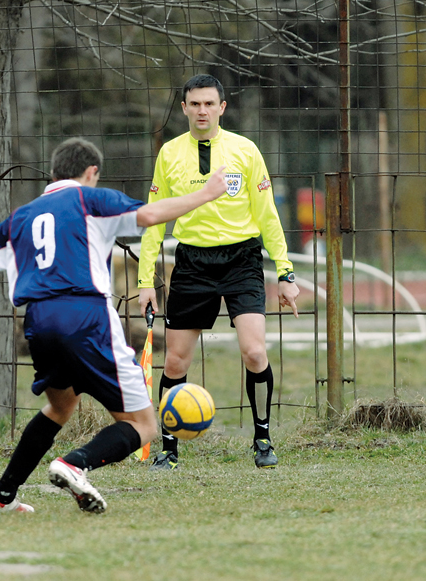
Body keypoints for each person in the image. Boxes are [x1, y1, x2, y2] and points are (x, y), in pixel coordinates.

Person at [0, 137, 227, 514]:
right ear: (92, 172)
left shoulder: (21, 217)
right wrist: (205, 194)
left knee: (60, 407)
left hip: (37, 323)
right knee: (144, 425)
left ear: (54, 173)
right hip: (85, 318)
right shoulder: (91, 200)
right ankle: (75, 464)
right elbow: (152, 214)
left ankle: (1, 496)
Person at [137, 74, 300, 471]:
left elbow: (268, 216)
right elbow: (155, 220)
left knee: (255, 351)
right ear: (184, 108)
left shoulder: (245, 150)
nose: (202, 110)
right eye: (195, 104)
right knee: (175, 363)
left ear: (222, 107)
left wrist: (286, 272)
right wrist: (145, 281)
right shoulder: (170, 154)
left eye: (209, 103)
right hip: (192, 263)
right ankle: (169, 449)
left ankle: (262, 439)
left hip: (242, 260)